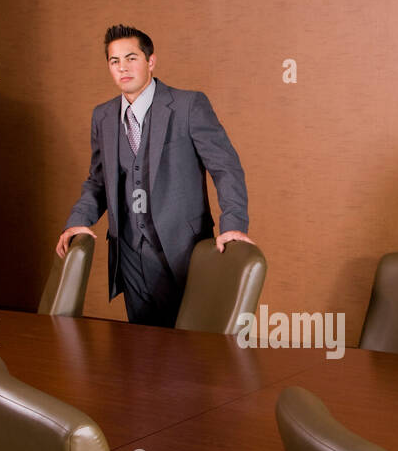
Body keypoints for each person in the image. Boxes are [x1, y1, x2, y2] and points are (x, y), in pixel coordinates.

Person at [55, 25, 254, 326]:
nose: (123, 67)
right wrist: (77, 221)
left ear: (150, 61)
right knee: (144, 349)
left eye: (131, 58)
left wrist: (234, 222)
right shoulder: (103, 116)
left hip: (182, 249)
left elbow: (226, 167)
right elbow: (98, 181)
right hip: (130, 254)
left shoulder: (188, 105)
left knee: (191, 351)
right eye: (114, 61)